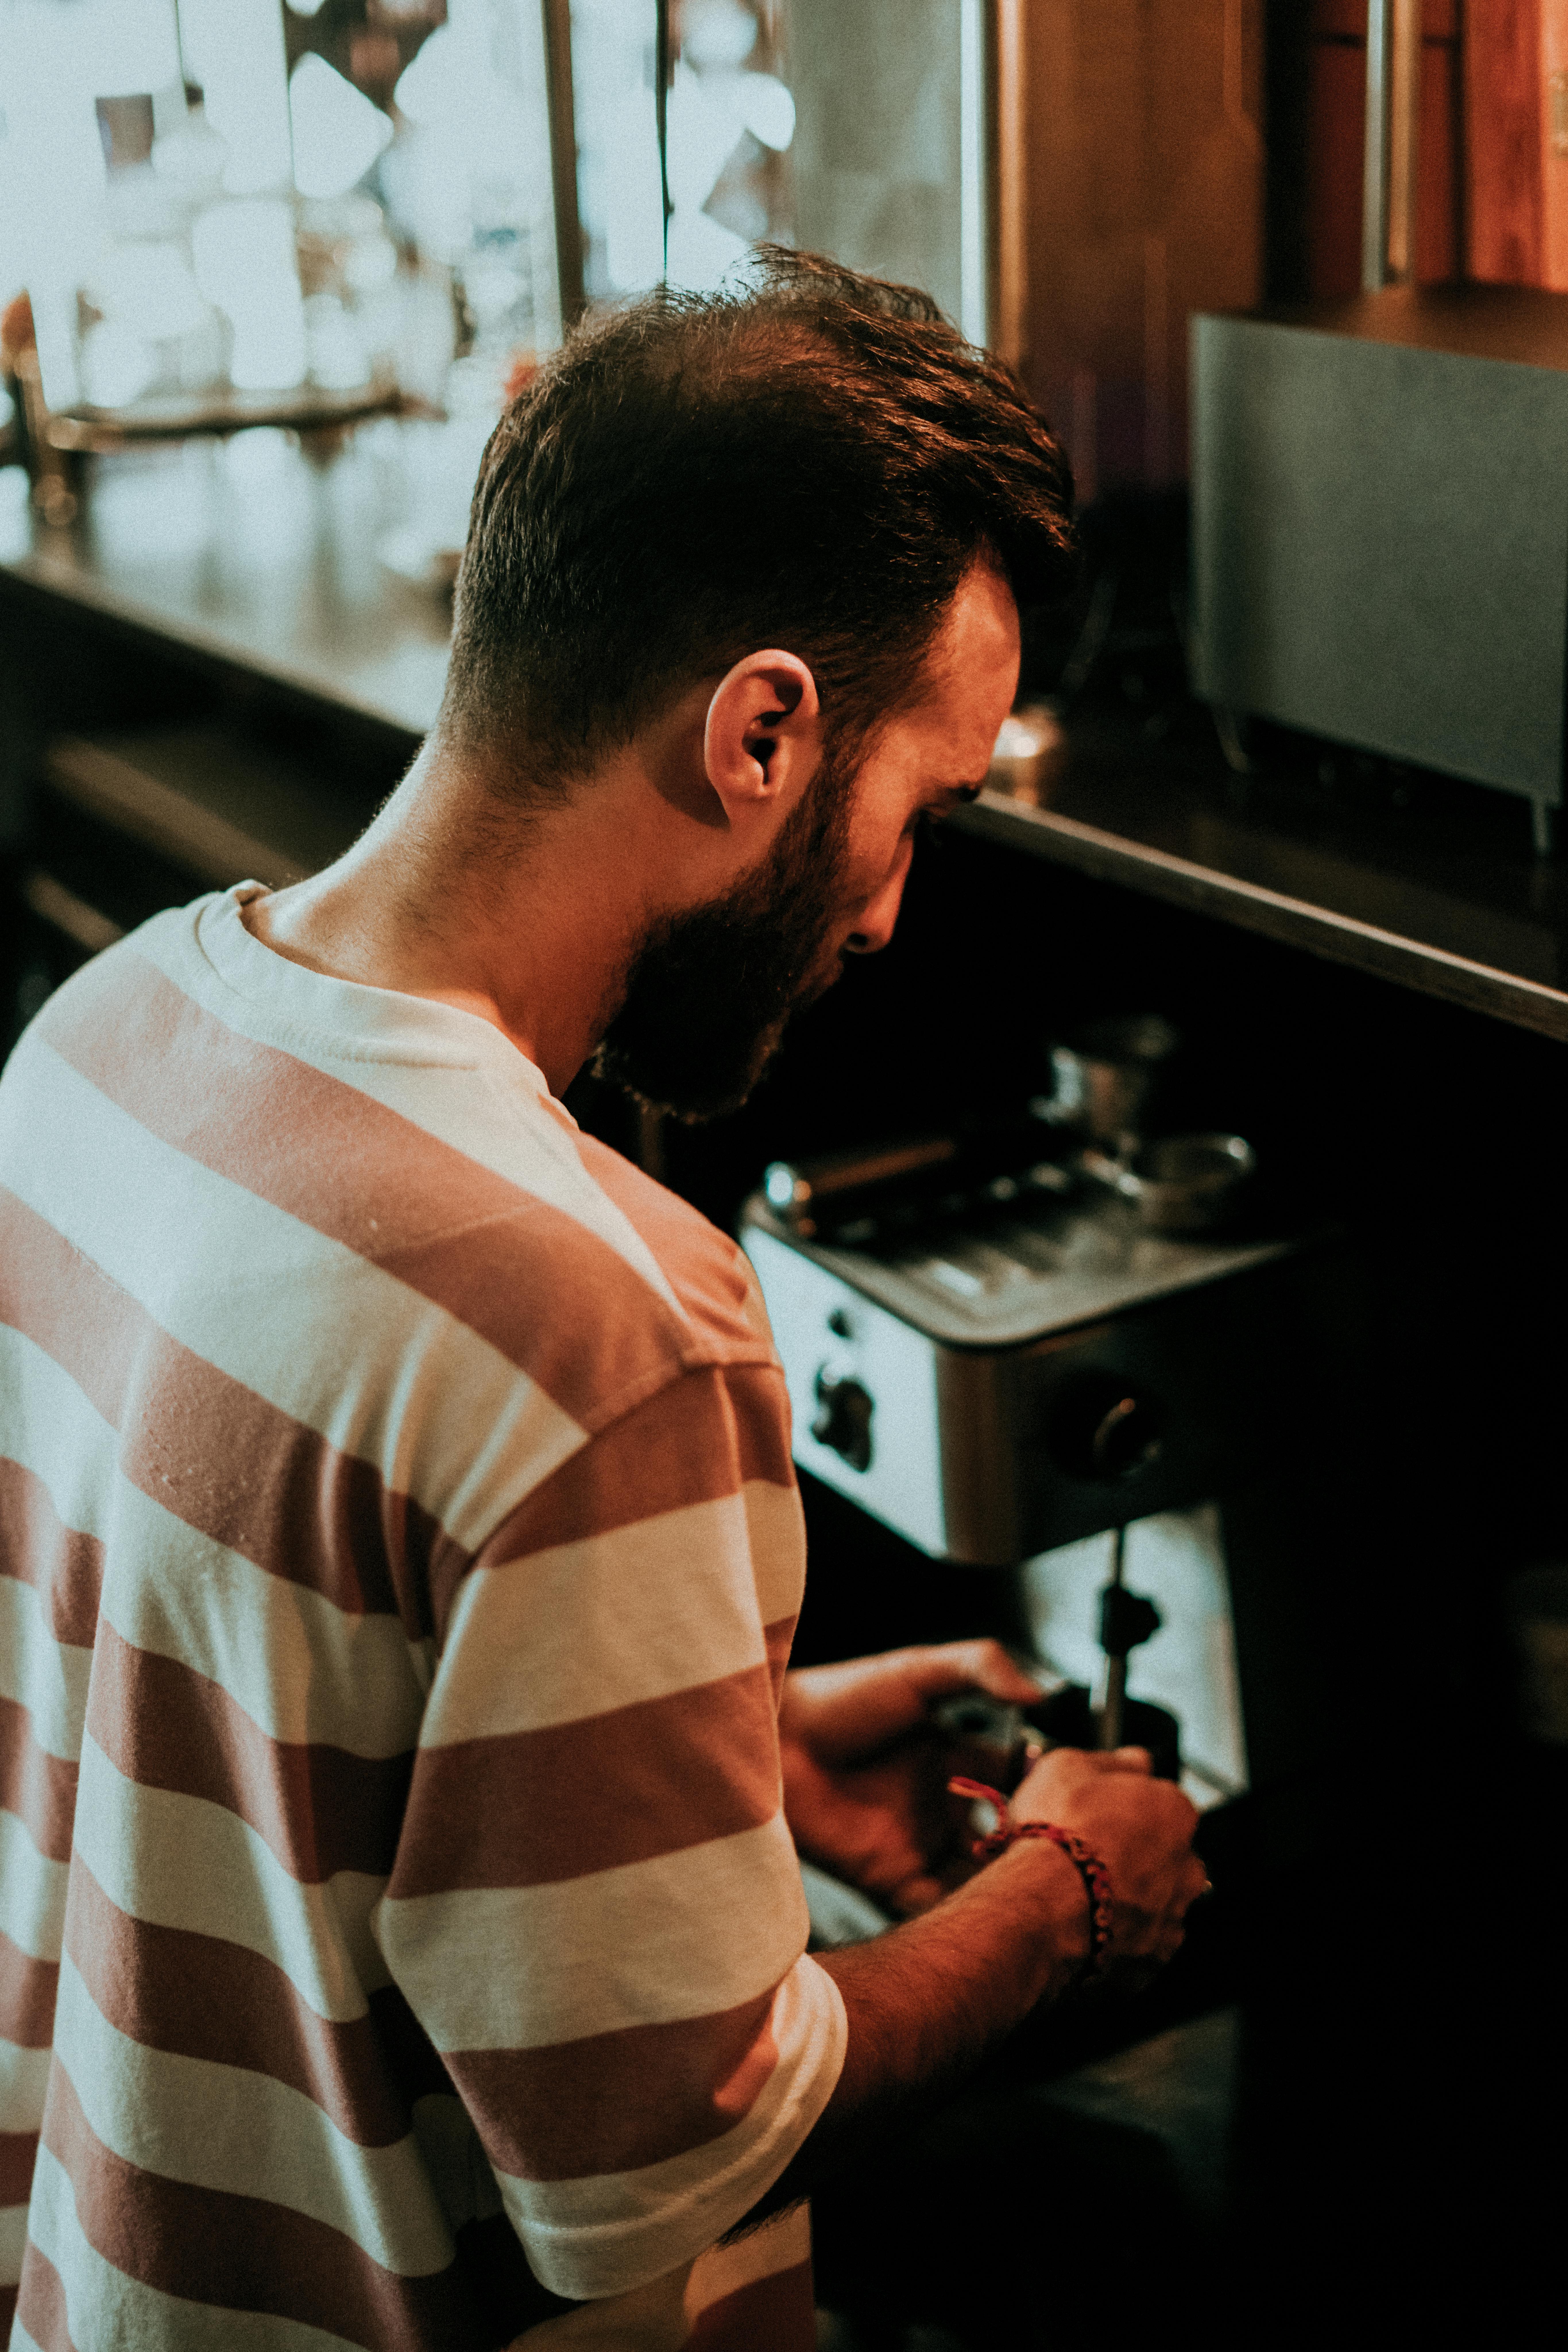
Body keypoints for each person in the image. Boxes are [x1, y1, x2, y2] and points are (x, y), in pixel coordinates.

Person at [0, 250, 1204, 2352]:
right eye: (914, 808)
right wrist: (1069, 1894)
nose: (889, 911)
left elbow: (225, 1713)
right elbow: (663, 2145)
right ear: (761, 732)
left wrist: (708, 1746)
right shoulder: (601, 1320)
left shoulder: (101, 1042)